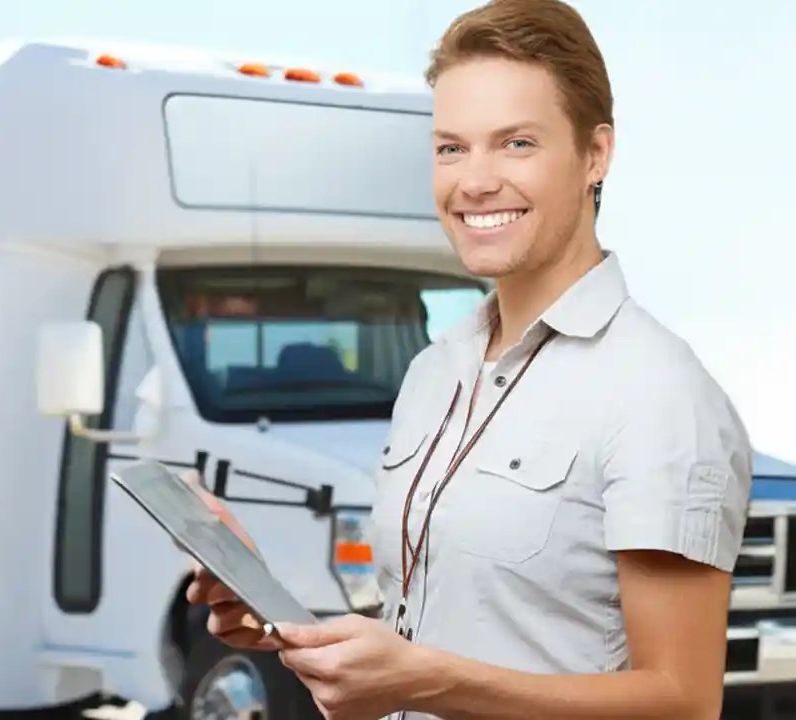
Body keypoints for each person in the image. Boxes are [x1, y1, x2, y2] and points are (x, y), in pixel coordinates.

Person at [185, 0, 753, 717]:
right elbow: (428, 630)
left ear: (595, 155)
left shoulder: (657, 392)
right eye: (451, 147)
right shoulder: (434, 371)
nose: (475, 181)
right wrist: (286, 618)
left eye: (516, 143)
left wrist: (427, 680)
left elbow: (684, 701)